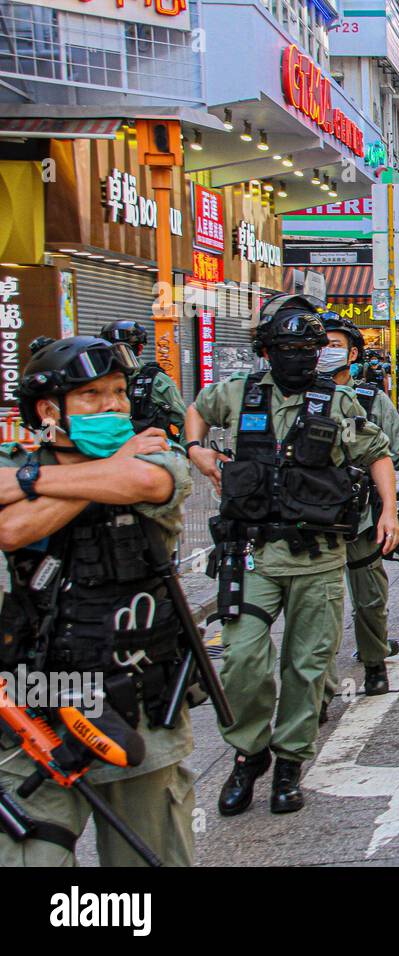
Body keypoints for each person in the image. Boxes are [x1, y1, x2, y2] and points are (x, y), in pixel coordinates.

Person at [186, 295, 399, 817]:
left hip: (318, 558)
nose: (298, 357)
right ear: (267, 351)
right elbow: (196, 411)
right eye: (287, 348)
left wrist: (390, 511)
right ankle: (249, 752)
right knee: (242, 658)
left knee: (307, 666)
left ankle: (288, 763)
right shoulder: (239, 394)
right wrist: (195, 448)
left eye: (308, 349)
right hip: (253, 554)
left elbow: (377, 453)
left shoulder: (337, 402)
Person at [0, 336, 195, 865]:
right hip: (38, 703)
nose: (113, 406)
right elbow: (12, 530)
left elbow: (143, 480)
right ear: (49, 410)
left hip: (137, 701)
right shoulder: (17, 460)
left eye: (119, 392)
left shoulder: (154, 453)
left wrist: (30, 483)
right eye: (92, 395)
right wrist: (94, 471)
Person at [317, 313, 399, 709]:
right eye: (320, 345)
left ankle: (374, 660)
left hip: (361, 519)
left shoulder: (371, 401)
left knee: (370, 598)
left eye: (334, 345)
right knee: (316, 610)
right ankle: (317, 693)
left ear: (353, 353)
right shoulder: (295, 397)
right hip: (312, 522)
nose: (325, 352)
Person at [100, 320, 188, 442]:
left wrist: (184, 451)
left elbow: (185, 423)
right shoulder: (100, 382)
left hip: (153, 451)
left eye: (123, 350)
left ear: (139, 349)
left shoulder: (155, 380)